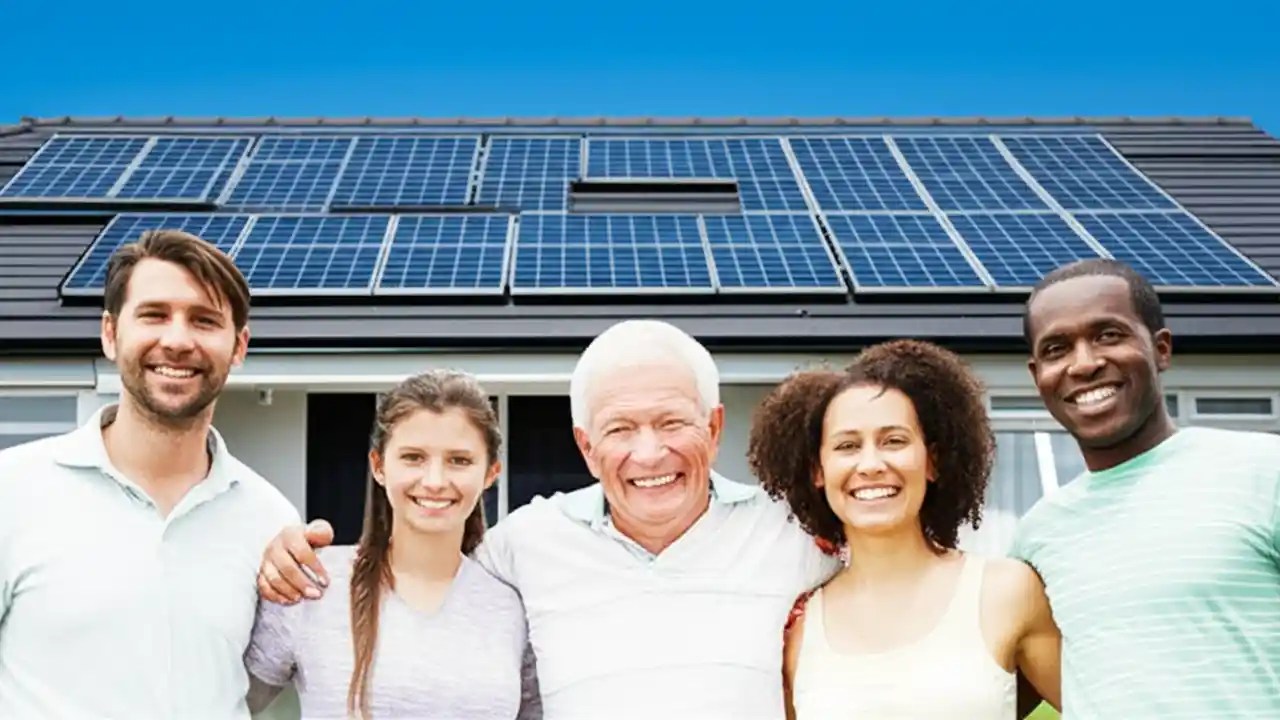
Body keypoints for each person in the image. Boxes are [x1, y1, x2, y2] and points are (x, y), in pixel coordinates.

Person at [256, 319, 843, 719]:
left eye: (671, 423)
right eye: (619, 430)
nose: (648, 453)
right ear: (586, 448)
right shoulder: (527, 546)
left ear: (714, 429)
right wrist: (287, 551)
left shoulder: (790, 534)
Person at [0, 230, 299, 718]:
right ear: (111, 333)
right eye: (154, 315)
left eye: (204, 321)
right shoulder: (11, 489)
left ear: (239, 346)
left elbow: (263, 685)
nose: (177, 341)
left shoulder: (272, 520)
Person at [1014, 258, 1280, 718]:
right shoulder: (1036, 536)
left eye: (1108, 335)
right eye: (1057, 349)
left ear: (1161, 349)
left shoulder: (1264, 469)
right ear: (1037, 375)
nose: (1085, 364)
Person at [749, 339, 1061, 719]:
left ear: (932, 461)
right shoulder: (798, 629)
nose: (871, 464)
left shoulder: (1007, 590)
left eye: (893, 441)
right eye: (847, 445)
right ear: (817, 471)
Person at [244, 369, 541, 719]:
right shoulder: (313, 583)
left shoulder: (514, 608)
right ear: (379, 466)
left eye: (459, 461)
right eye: (413, 457)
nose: (434, 481)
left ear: (491, 473)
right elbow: (222, 704)